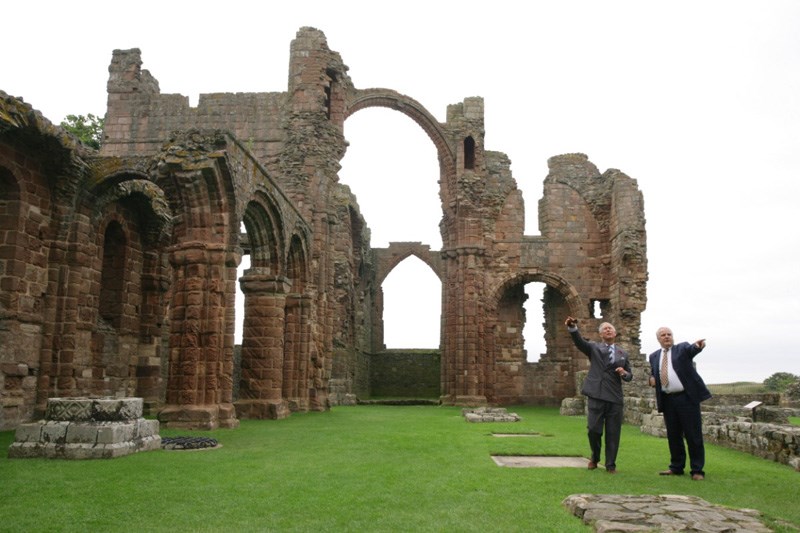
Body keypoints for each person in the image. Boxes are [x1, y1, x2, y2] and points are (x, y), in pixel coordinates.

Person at [565, 316, 632, 473]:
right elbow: (580, 343)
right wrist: (573, 329)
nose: (608, 330)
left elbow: (630, 376)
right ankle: (595, 457)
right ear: (601, 335)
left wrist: (624, 373)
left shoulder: (623, 353)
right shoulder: (594, 348)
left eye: (610, 328)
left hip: (615, 397)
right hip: (597, 394)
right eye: (604, 329)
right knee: (593, 430)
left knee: (613, 432)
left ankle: (611, 465)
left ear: (615, 333)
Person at [647, 327, 710, 480]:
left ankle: (697, 470)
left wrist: (697, 346)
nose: (667, 337)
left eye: (669, 334)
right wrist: (651, 378)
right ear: (658, 339)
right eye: (663, 335)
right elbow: (654, 372)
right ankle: (676, 467)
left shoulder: (682, 348)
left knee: (693, 435)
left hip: (686, 398)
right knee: (673, 435)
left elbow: (691, 350)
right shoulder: (654, 356)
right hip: (668, 399)